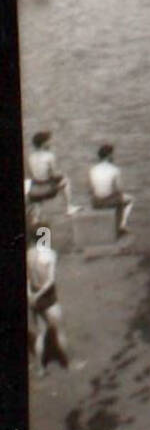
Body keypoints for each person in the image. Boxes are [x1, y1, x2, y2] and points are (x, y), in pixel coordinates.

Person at [27, 226, 70, 376]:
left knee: (40, 332)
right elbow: (50, 280)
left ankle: (40, 368)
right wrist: (39, 295)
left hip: (33, 296)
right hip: (48, 297)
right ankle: (67, 363)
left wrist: (30, 295)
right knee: (59, 331)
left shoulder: (28, 254)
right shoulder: (50, 254)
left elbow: (27, 279)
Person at [88, 144, 134, 235]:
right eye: (112, 154)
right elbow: (119, 189)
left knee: (106, 195)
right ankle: (121, 225)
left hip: (96, 202)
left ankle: (104, 222)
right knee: (130, 199)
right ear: (109, 155)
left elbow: (91, 189)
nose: (113, 156)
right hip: (108, 202)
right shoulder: (115, 170)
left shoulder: (92, 169)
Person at [26, 131, 74, 216]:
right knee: (65, 180)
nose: (50, 142)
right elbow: (54, 174)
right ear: (44, 143)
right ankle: (69, 207)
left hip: (34, 190)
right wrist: (61, 174)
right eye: (48, 141)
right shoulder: (49, 156)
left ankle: (35, 214)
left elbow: (32, 175)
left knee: (37, 191)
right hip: (46, 189)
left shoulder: (31, 157)